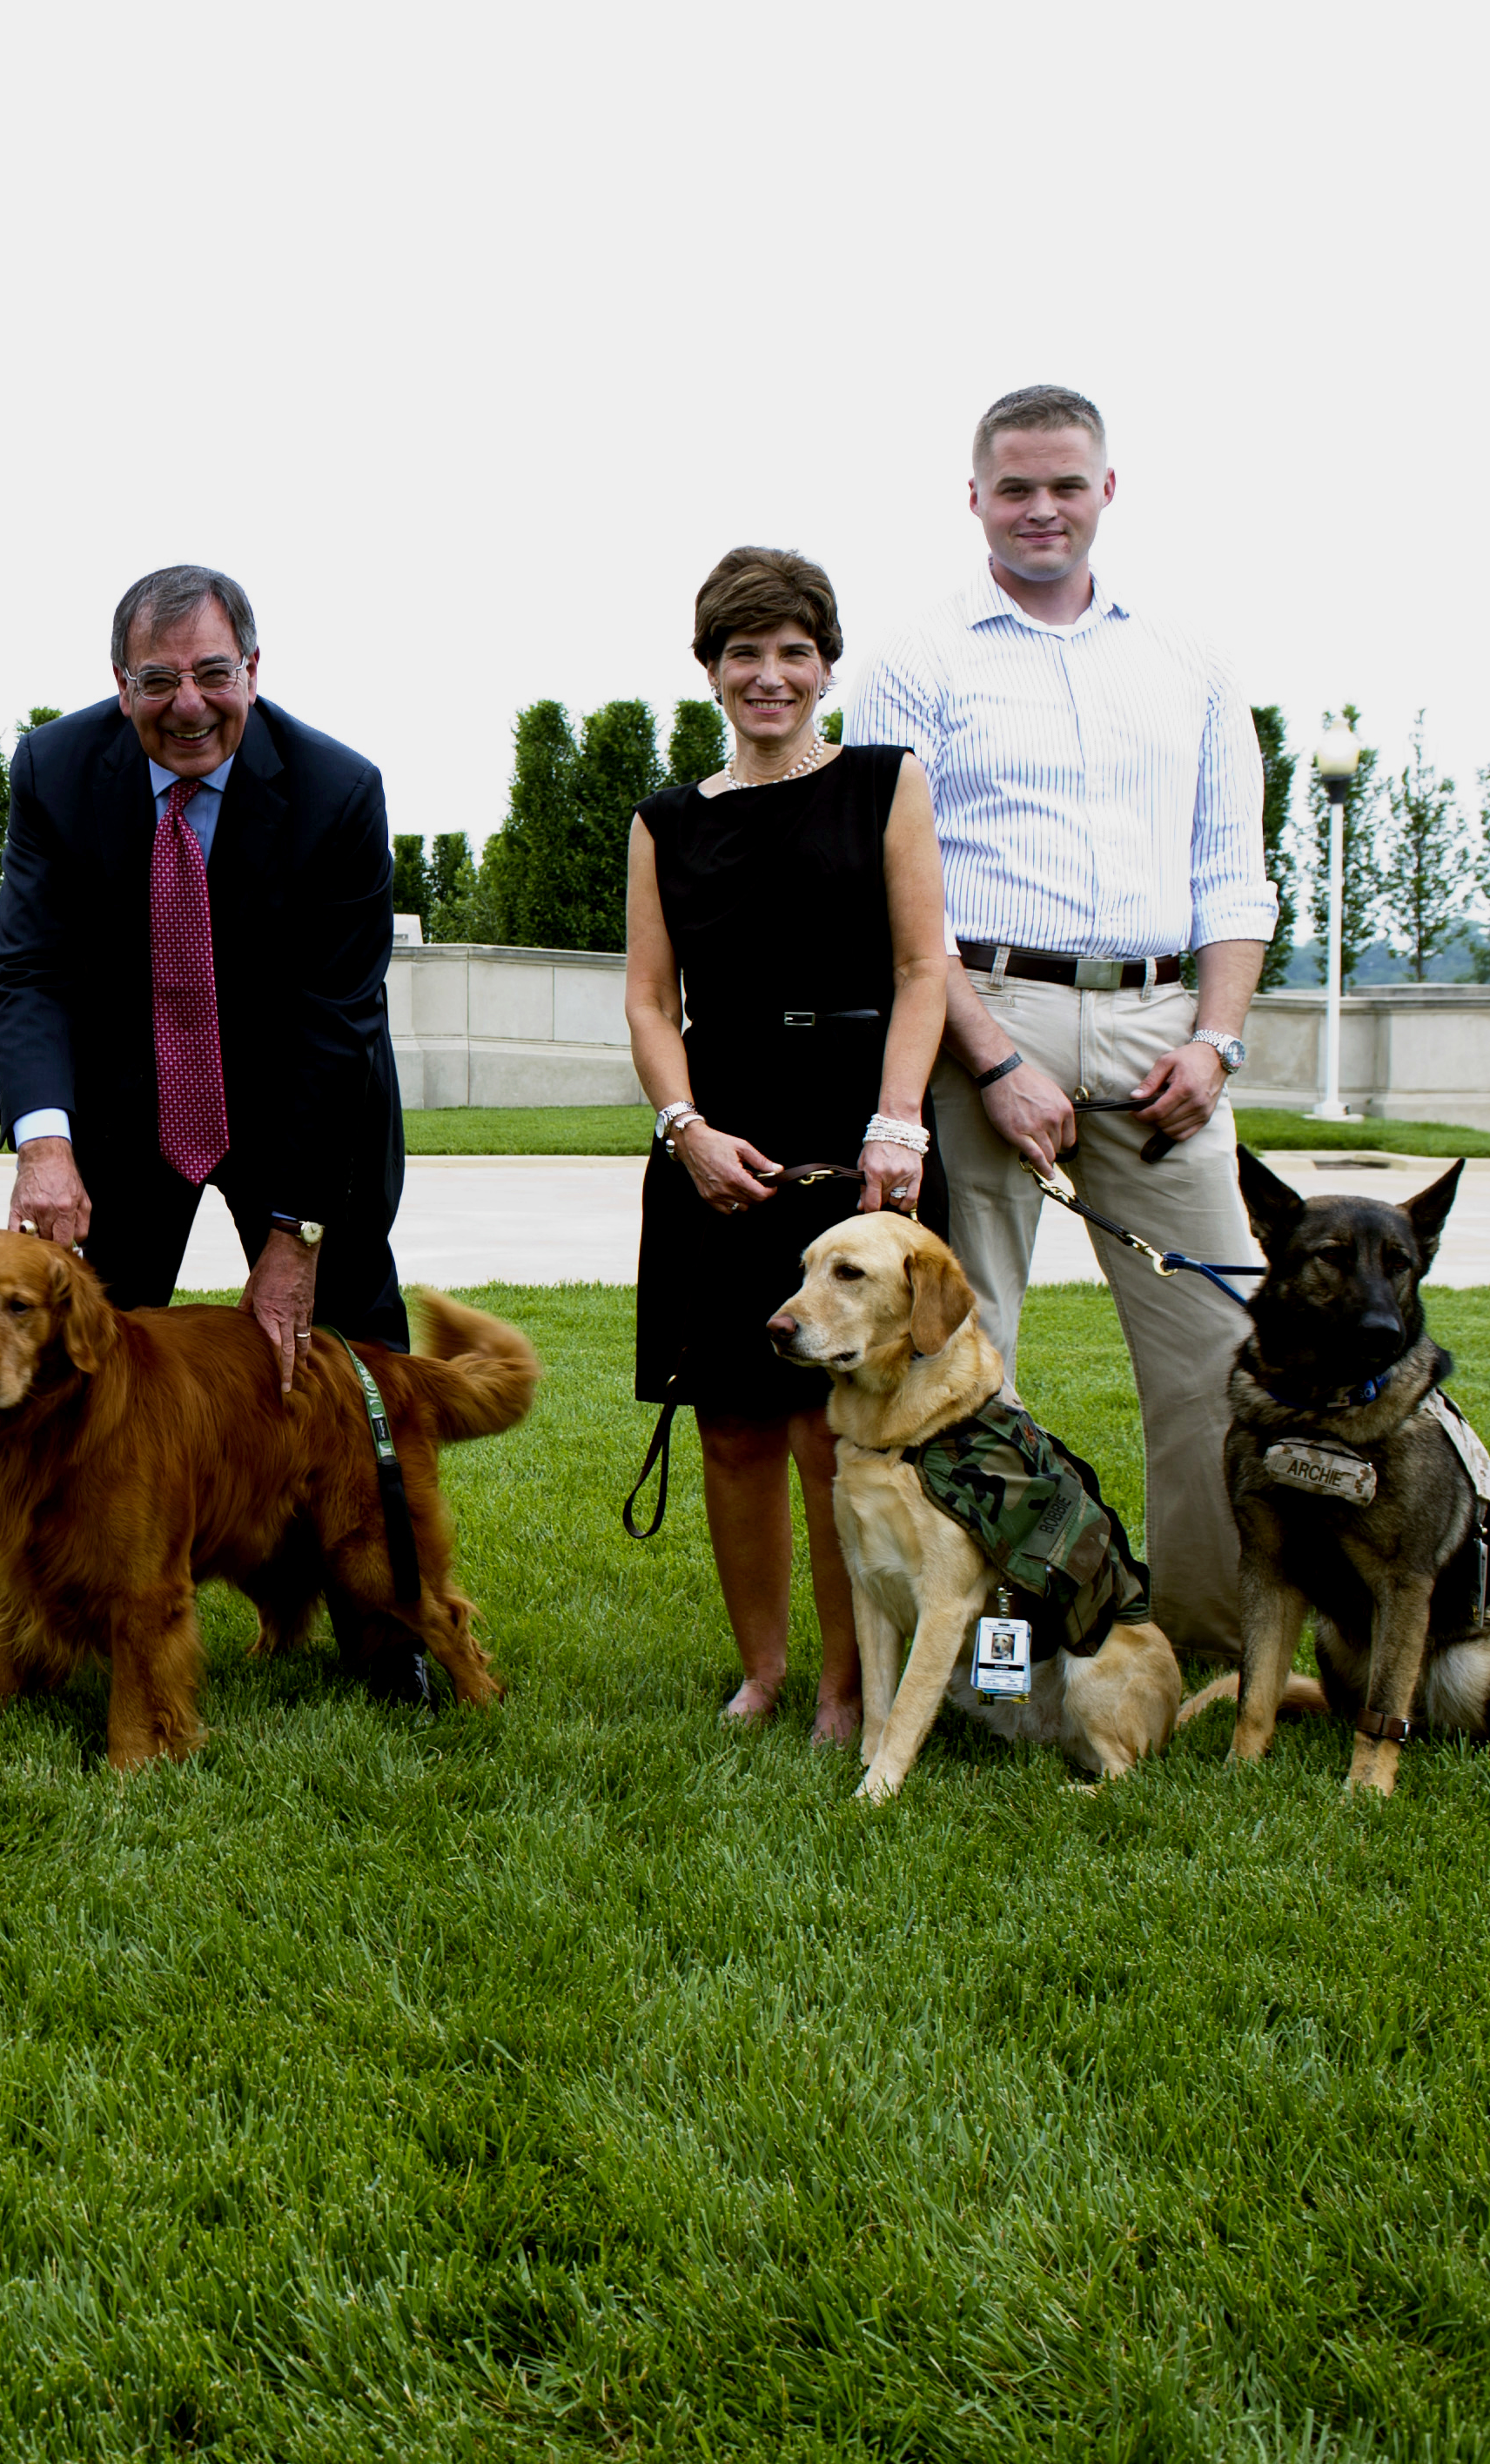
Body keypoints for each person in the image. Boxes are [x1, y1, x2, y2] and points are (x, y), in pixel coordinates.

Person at [842, 384, 1272, 1669]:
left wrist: (1217, 1040)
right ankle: (1001, 1659)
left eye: (1065, 485)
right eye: (1016, 487)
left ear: (1106, 492)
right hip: (991, 1013)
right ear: (975, 498)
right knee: (970, 1363)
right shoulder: (917, 663)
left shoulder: (1188, 661)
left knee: (1218, 1358)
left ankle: (1201, 1644)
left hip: (1162, 1033)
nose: (1042, 509)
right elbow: (897, 891)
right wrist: (996, 1058)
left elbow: (1233, 872)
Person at [625, 549, 950, 1743]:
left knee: (836, 1425)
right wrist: (686, 1130)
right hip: (719, 1132)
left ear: (825, 665)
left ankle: (845, 1684)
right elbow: (654, 1005)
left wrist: (898, 1119)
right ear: (710, 671)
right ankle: (761, 1674)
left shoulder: (883, 783)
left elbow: (925, 968)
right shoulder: (664, 825)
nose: (771, 677)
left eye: (793, 653)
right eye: (745, 654)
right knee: (734, 1418)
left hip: (858, 1120)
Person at [0, 565, 406, 1388]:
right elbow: (29, 972)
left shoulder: (340, 794)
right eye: (158, 680)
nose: (189, 704)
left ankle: (376, 1518)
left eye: (215, 673)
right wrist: (44, 1145)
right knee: (76, 1384)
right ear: (120, 684)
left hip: (303, 1117)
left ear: (252, 669)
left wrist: (297, 1235)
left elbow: (337, 1026)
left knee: (350, 1377)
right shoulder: (53, 771)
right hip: (121, 1117)